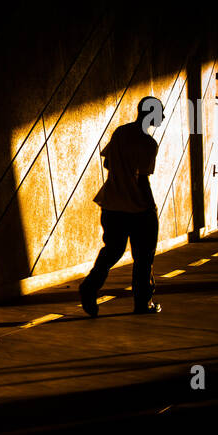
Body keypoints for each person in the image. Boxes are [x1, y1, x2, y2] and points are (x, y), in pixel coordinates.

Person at [79, 96, 163, 316]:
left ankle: (89, 287)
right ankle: (142, 303)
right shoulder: (148, 143)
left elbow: (107, 163)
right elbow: (143, 180)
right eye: (159, 112)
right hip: (138, 210)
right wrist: (151, 209)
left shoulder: (120, 132)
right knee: (144, 257)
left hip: (111, 205)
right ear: (150, 114)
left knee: (112, 251)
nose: (162, 116)